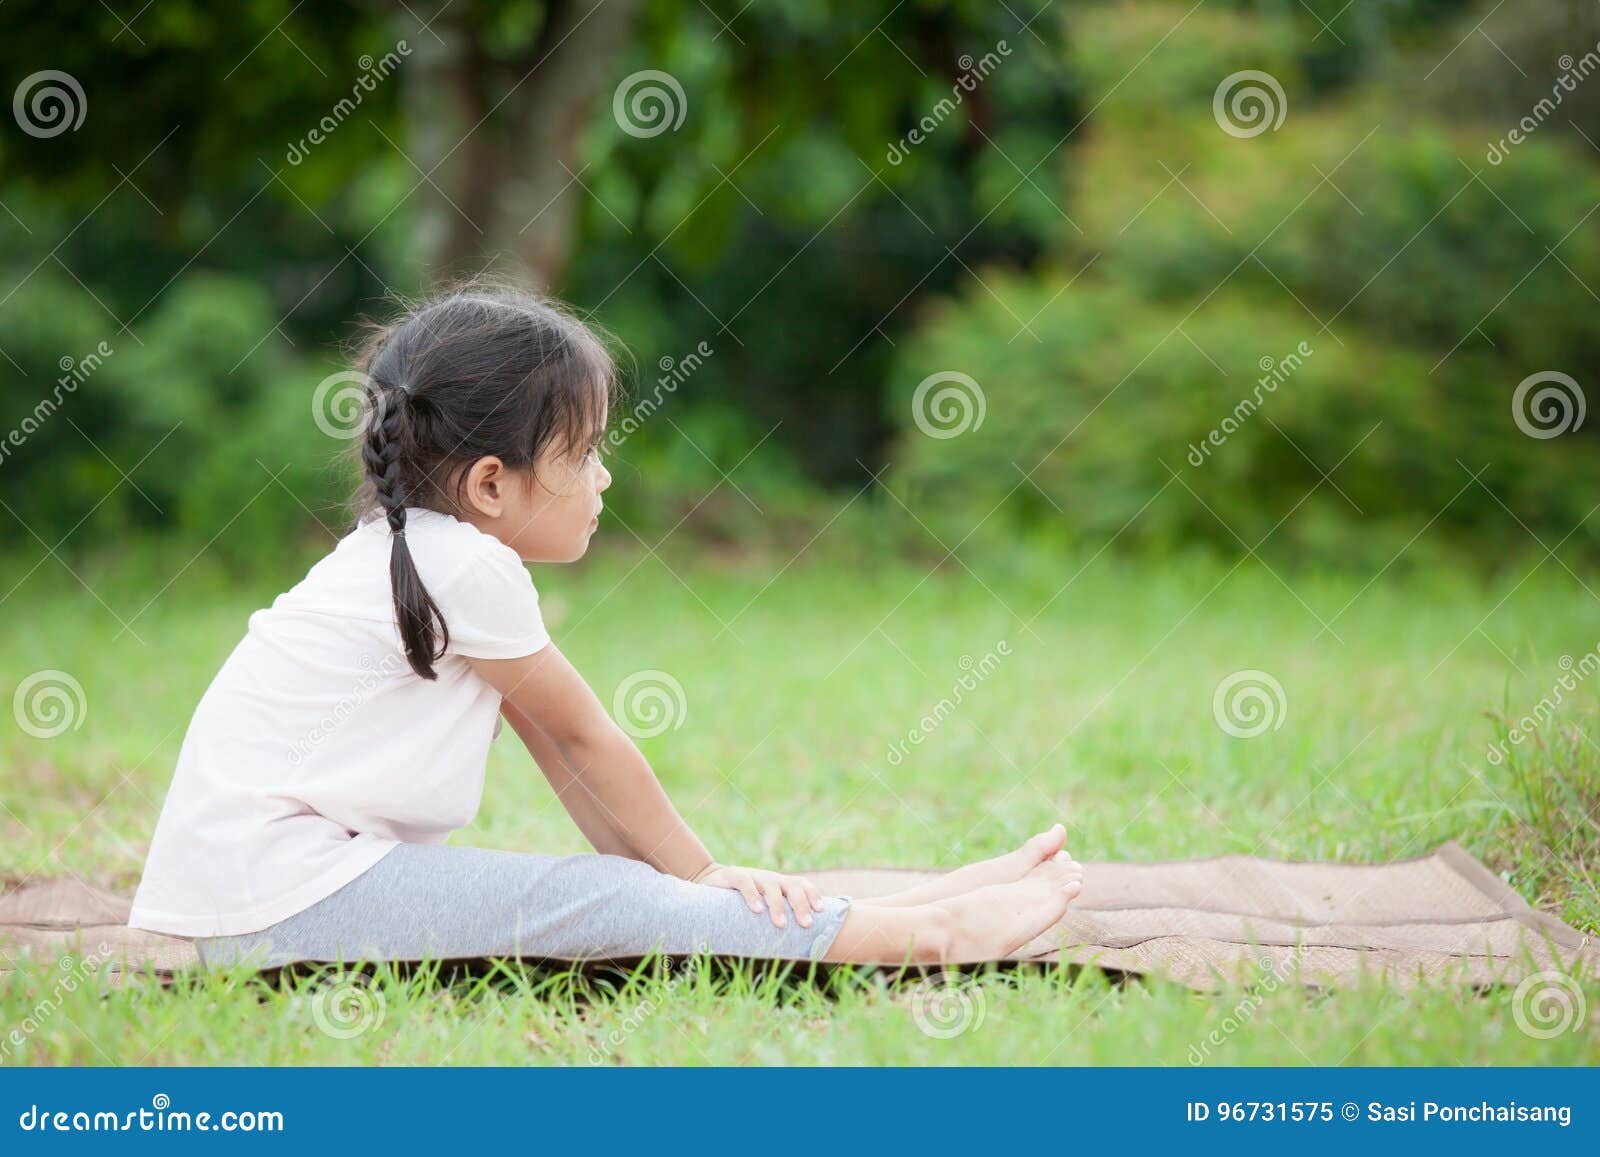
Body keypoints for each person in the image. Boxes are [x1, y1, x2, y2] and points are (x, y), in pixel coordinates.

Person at [126, 285, 1084, 970]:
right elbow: (591, 733)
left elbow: (562, 753)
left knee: (641, 890)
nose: (604, 478)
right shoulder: (463, 563)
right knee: (614, 902)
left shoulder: (422, 549)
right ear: (491, 483)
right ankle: (932, 939)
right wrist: (697, 871)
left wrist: (681, 880)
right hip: (272, 897)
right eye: (583, 453)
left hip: (262, 887)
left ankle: (917, 901)